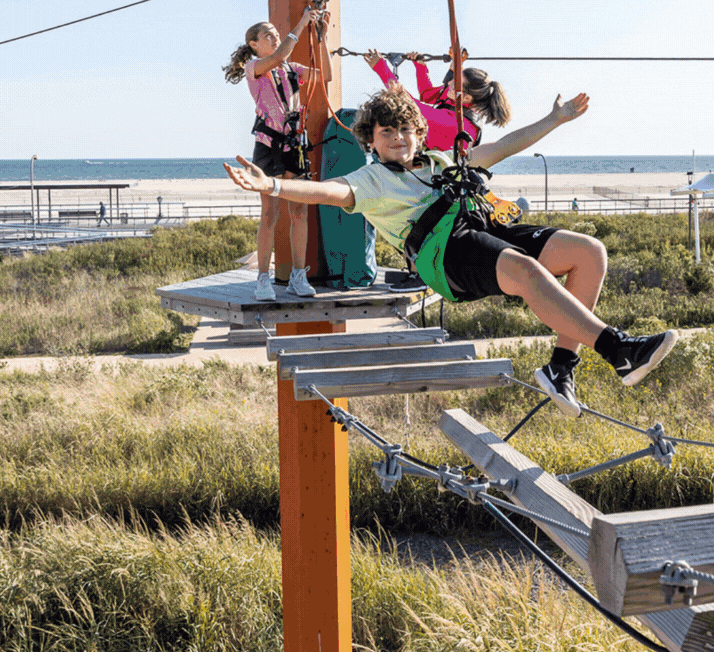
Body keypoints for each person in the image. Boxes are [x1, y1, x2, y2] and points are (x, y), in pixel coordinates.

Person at [224, 83, 678, 417]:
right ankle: (618, 348)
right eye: (386, 132)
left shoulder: (441, 161)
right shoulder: (372, 180)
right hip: (443, 254)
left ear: (419, 133)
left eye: (405, 129)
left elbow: (499, 148)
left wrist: (553, 120)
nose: (397, 137)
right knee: (522, 270)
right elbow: (326, 192)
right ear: (371, 140)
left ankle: (561, 368)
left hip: (480, 227)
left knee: (589, 252)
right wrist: (275, 185)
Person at [223, 6, 324, 301]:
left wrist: (322, 38)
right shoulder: (254, 68)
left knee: (299, 212)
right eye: (267, 33)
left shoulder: (291, 70)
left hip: (294, 144)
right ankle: (263, 279)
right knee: (270, 213)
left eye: (274, 31)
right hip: (269, 145)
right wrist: (304, 21)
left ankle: (298, 276)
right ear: (254, 44)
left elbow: (325, 75)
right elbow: (279, 56)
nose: (274, 34)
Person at [364, 50, 511, 152]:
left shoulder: (457, 123)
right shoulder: (459, 100)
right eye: (453, 79)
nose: (448, 84)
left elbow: (408, 103)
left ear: (467, 98)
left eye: (454, 84)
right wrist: (421, 67)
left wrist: (381, 68)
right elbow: (428, 96)